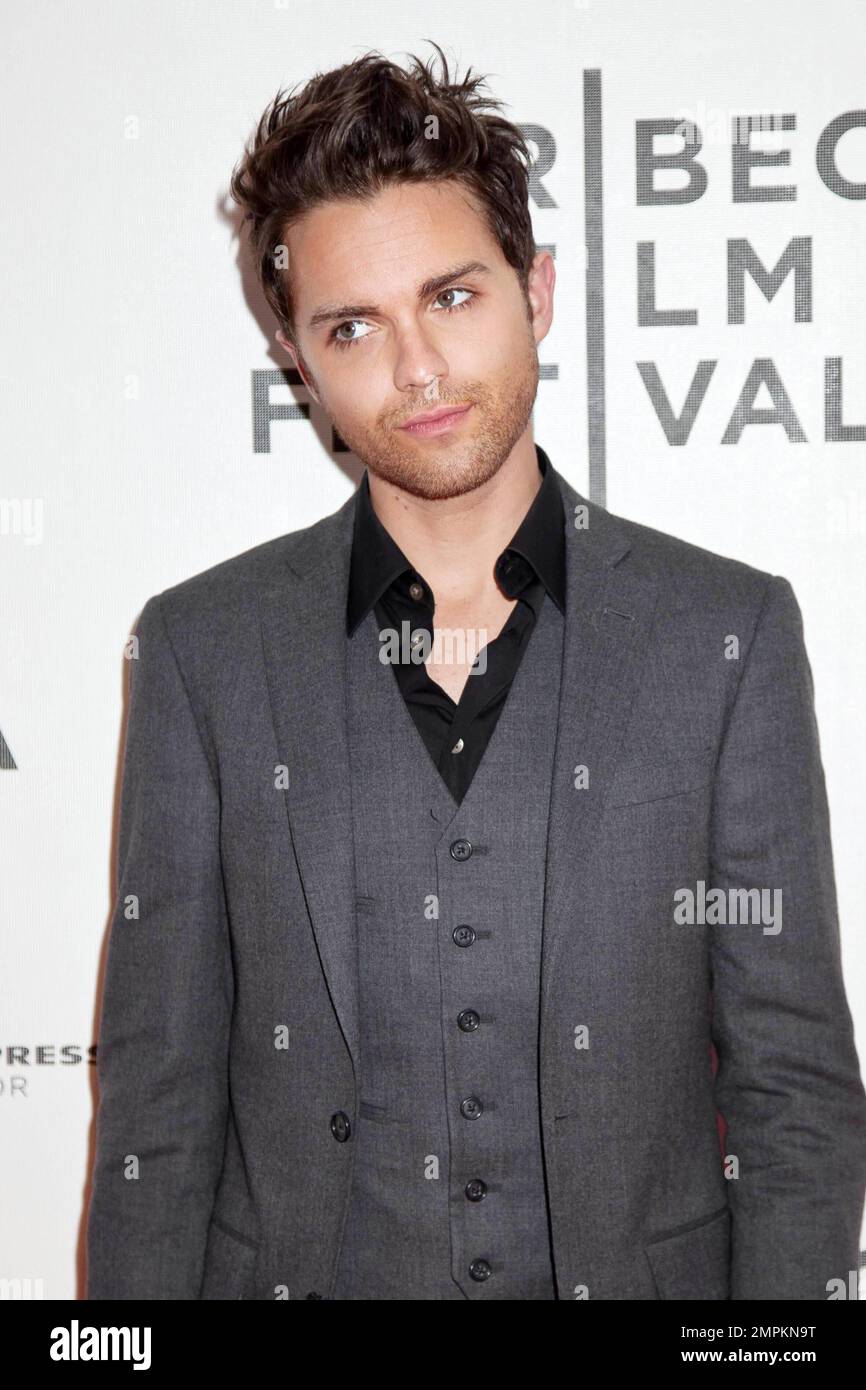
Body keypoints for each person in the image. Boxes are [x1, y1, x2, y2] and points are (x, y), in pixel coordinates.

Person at [86, 43, 866, 1300]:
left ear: (536, 290)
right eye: (353, 326)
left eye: (450, 297)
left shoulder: (727, 636)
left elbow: (791, 1097)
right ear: (301, 363)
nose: (415, 369)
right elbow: (157, 1110)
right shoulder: (201, 651)